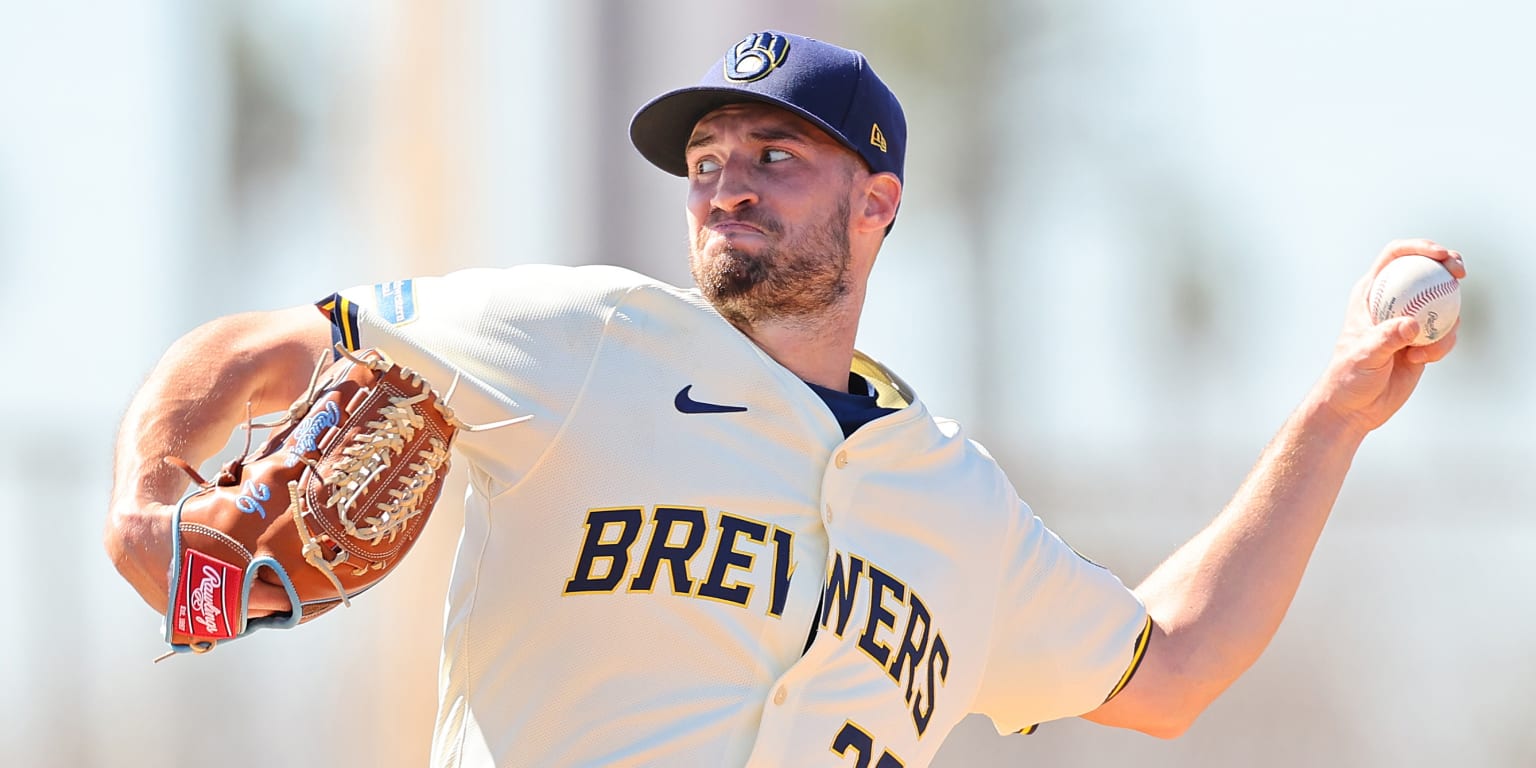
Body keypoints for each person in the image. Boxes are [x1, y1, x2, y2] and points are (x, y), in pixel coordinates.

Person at [105, 29, 1464, 768]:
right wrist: (151, 492)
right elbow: (266, 343)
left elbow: (1169, 670)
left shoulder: (958, 502)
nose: (725, 181)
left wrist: (1335, 417)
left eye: (775, 153)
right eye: (704, 156)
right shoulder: (582, 339)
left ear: (878, 204)